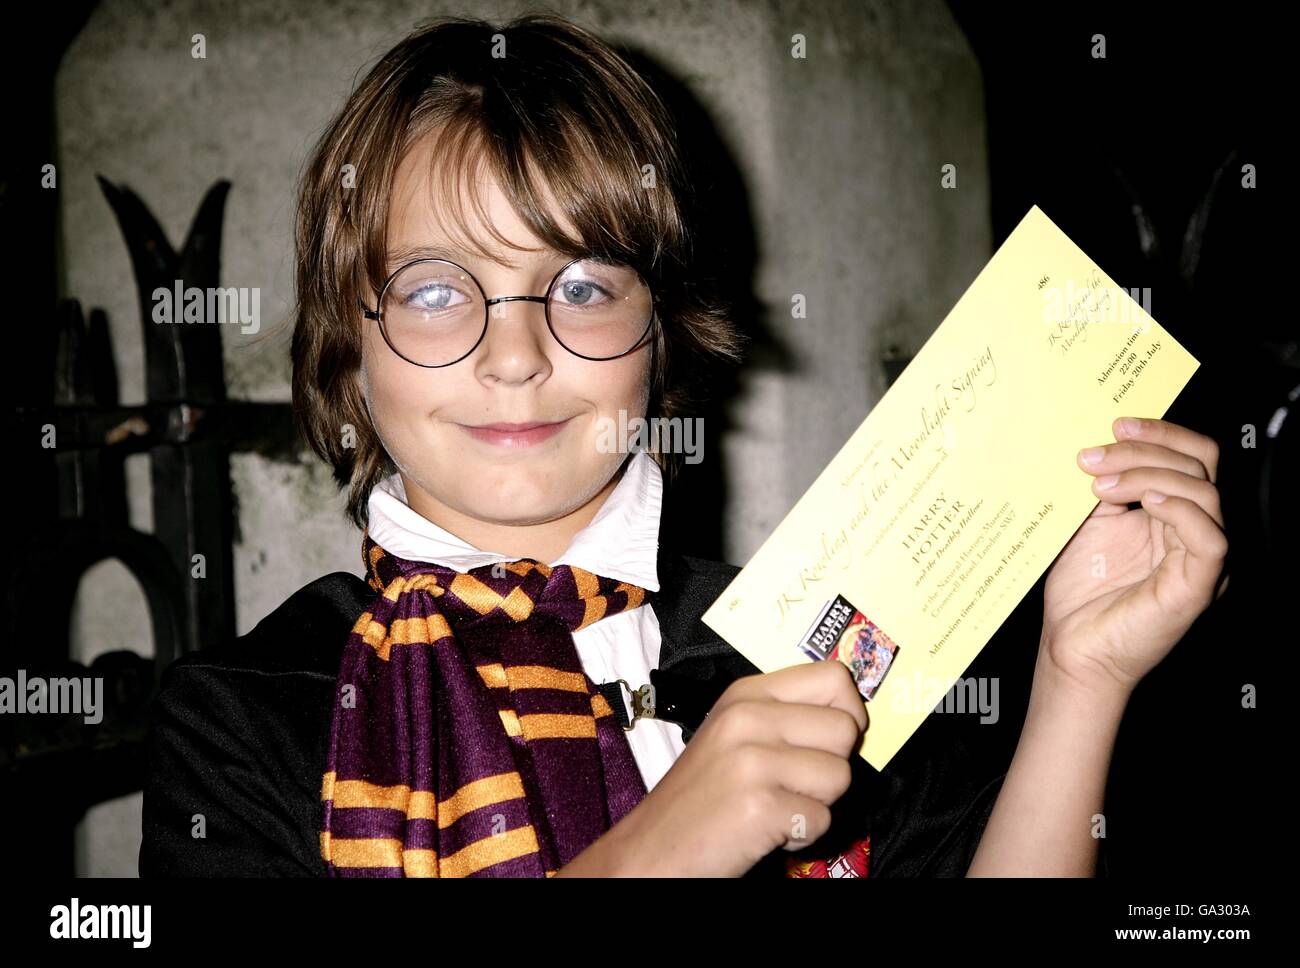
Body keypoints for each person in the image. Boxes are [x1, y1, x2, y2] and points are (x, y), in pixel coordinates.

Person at [138, 13, 1229, 878]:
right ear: (351, 346)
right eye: (433, 290)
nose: (515, 352)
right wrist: (667, 849)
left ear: (659, 336)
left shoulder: (815, 642)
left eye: (581, 285)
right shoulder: (248, 711)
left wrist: (1078, 677)